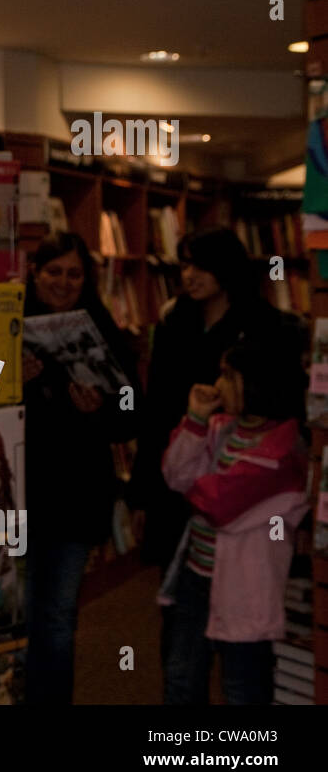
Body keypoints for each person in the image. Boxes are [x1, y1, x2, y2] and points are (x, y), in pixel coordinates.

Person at [130, 227, 299, 569]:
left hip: (237, 472)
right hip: (178, 467)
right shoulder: (173, 321)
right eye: (185, 265)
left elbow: (283, 406)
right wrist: (142, 492)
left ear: (226, 267)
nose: (190, 275)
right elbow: (157, 408)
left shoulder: (264, 326)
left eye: (201, 266)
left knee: (234, 582)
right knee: (177, 588)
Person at [20, 231, 139, 703]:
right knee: (19, 614)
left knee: (57, 616)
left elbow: (131, 416)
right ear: (35, 273)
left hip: (76, 497)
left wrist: (100, 409)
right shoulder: (9, 324)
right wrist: (15, 376)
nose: (63, 282)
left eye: (74, 273)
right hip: (17, 496)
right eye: (53, 272)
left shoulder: (104, 329)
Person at [158, 341, 309, 704]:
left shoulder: (284, 450)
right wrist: (194, 419)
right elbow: (175, 474)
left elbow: (218, 504)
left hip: (245, 588)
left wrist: (193, 487)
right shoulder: (222, 427)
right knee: (181, 677)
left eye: (229, 376)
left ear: (259, 383)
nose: (218, 384)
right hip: (197, 575)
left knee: (242, 687)